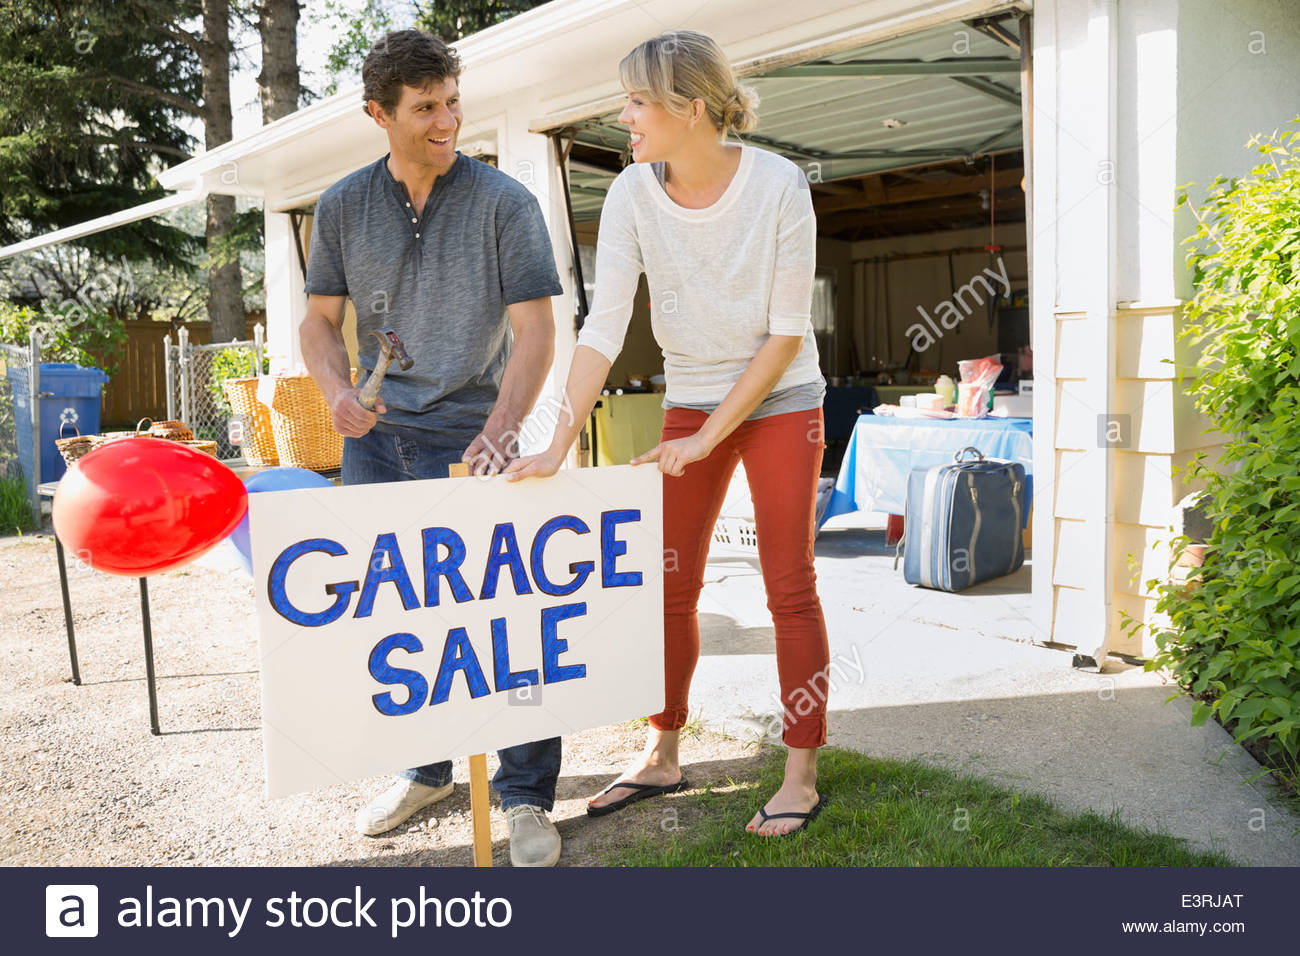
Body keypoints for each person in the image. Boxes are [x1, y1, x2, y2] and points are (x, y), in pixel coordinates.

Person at [506, 30, 830, 836]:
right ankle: (662, 752)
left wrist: (708, 436)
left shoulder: (782, 185)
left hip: (783, 398)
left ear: (690, 107)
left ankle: (800, 772)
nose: (624, 116)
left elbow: (786, 335)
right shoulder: (631, 195)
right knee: (667, 587)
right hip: (692, 398)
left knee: (787, 586)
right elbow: (603, 326)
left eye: (637, 101)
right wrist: (555, 438)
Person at [299, 29, 565, 866]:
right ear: (378, 114)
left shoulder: (504, 203)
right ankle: (427, 770)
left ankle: (525, 796)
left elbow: (535, 332)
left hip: (474, 432)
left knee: (507, 619)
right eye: (425, 109)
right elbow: (317, 321)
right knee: (404, 615)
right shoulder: (342, 205)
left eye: (453, 102)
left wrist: (500, 430)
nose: (447, 120)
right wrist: (337, 391)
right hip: (377, 443)